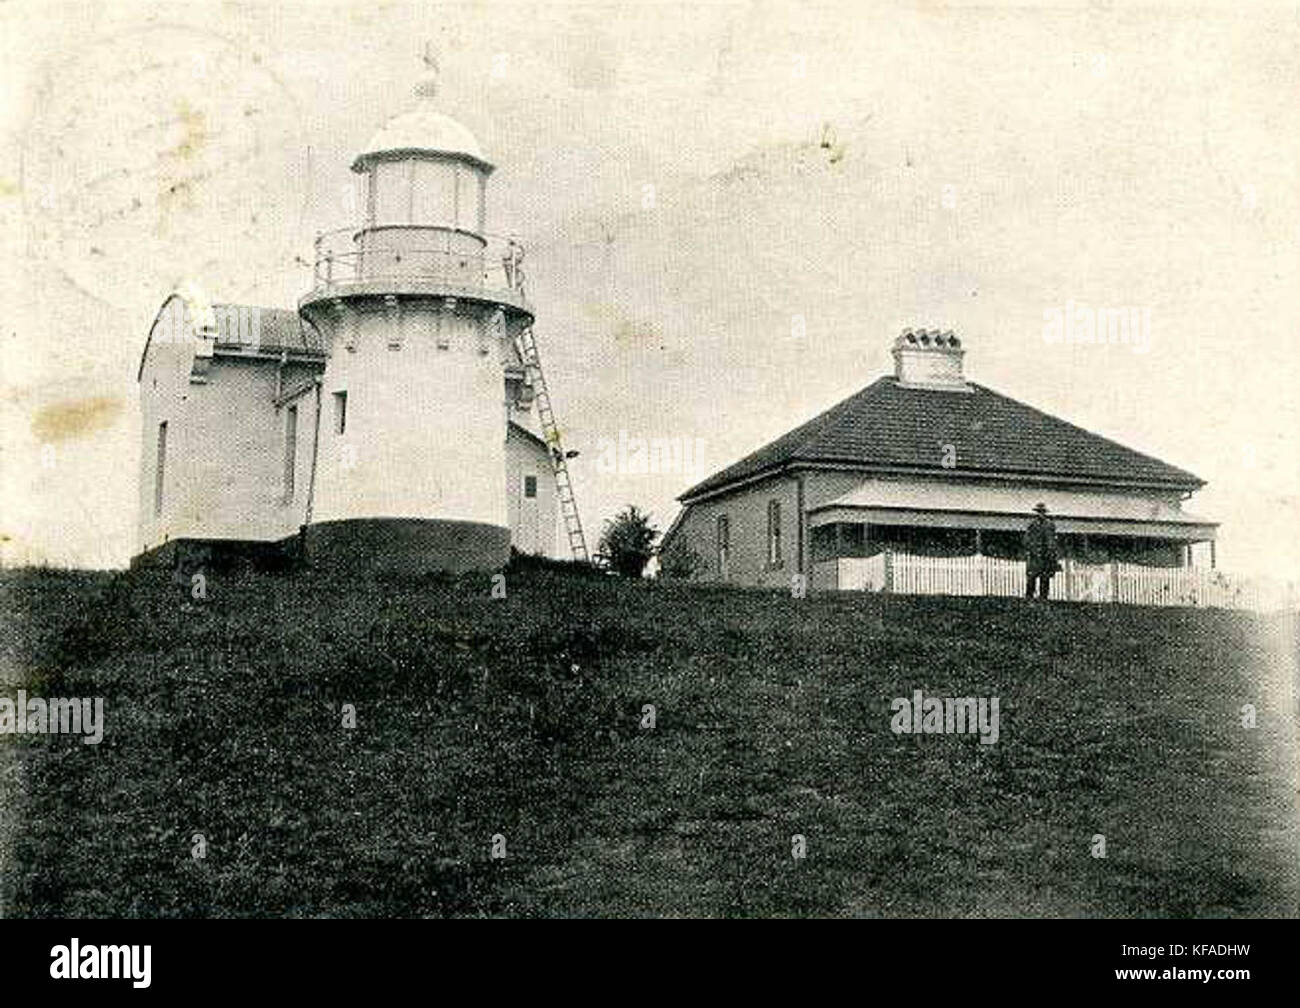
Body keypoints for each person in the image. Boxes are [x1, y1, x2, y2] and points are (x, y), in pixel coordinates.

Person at [1024, 502, 1060, 599]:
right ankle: (1029, 597)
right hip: (1034, 556)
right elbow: (1027, 540)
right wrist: (1032, 550)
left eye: (1042, 512)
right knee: (1031, 577)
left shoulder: (1050, 525)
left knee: (1045, 578)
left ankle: (1043, 597)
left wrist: (1051, 554)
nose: (1040, 514)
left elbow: (1052, 541)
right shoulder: (1031, 525)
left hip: (1045, 556)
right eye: (1038, 512)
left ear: (1045, 513)